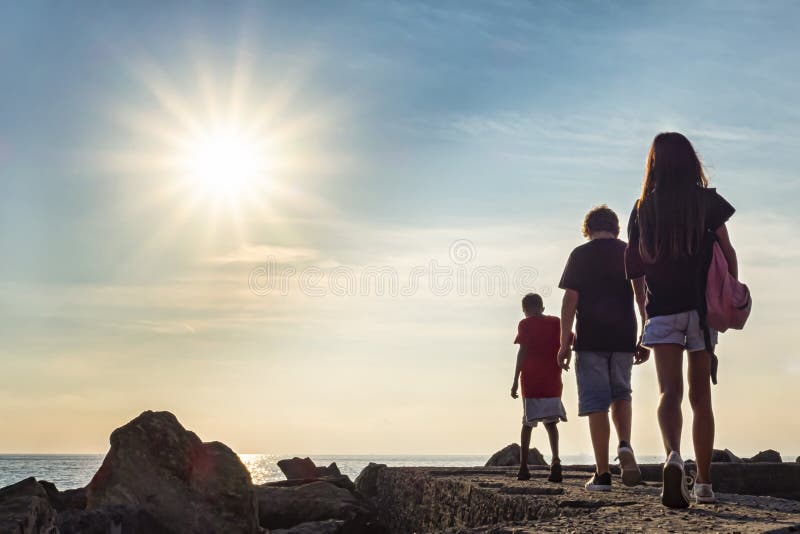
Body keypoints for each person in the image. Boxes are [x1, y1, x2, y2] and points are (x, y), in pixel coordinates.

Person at [626, 132, 738, 508]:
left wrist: (644, 313)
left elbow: (636, 272)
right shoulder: (706, 203)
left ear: (654, 164)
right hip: (700, 312)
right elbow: (727, 252)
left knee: (668, 393)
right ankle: (704, 484)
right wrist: (730, 291)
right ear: (691, 162)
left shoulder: (643, 209)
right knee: (700, 397)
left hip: (661, 312)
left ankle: (673, 456)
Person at [557, 205, 649, 492]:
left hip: (591, 339)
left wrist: (563, 344)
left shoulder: (579, 255)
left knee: (597, 403)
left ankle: (602, 473)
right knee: (621, 393)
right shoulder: (628, 251)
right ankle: (624, 445)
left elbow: (570, 301)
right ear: (616, 227)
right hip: (624, 337)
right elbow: (642, 298)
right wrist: (645, 335)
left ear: (588, 228)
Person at [511, 293, 568, 483]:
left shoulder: (525, 325)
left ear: (524, 310)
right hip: (553, 380)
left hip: (532, 381)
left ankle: (523, 467)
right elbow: (567, 342)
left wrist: (514, 381)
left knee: (528, 424)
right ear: (542, 307)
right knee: (551, 424)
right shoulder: (556, 323)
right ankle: (556, 460)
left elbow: (522, 352)